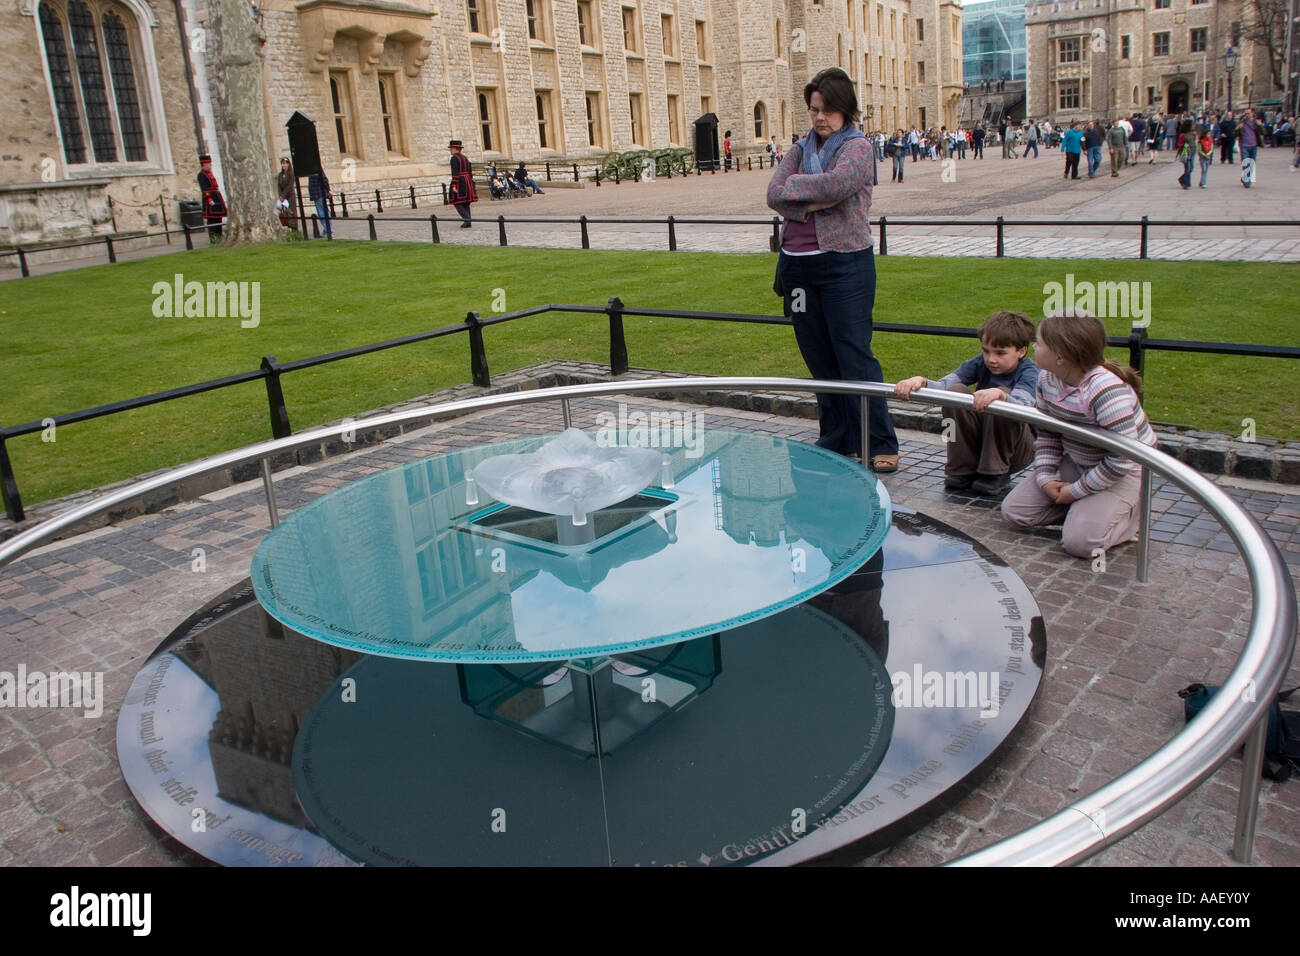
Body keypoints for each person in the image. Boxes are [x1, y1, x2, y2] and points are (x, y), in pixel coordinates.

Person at [767, 67, 899, 472]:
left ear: (845, 109)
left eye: (826, 110)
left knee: (854, 355)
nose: (819, 118)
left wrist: (804, 195)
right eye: (813, 110)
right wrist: (814, 199)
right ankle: (838, 437)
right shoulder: (799, 148)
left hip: (844, 265)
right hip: (798, 269)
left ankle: (879, 440)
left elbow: (840, 185)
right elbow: (774, 193)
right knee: (819, 357)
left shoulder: (857, 147)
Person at [1001, 312, 1157, 559]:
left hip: (1122, 471)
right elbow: (1047, 433)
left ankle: (1128, 518)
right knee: (1016, 512)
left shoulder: (1105, 391)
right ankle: (1084, 512)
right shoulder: (1047, 380)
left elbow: (1123, 459)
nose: (1033, 346)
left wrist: (1075, 491)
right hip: (1078, 459)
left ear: (1060, 356)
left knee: (1081, 545)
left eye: (1039, 342)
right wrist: (1047, 478)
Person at [895, 311, 1039, 496]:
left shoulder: (1029, 372)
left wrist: (1000, 395)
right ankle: (961, 468)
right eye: (986, 351)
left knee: (1001, 397)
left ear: (1021, 351)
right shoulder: (981, 363)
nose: (991, 359)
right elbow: (945, 386)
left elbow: (1024, 406)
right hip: (982, 439)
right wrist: (921, 381)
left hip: (1017, 449)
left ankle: (995, 473)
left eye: (1000, 353)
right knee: (956, 392)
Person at [448, 139, 477, 227]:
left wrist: (454, 184)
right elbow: (469, 170)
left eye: (451, 148)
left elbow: (455, 173)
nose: (450, 150)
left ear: (454, 148)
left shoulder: (454, 158)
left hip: (460, 181)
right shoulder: (464, 158)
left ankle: (467, 219)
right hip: (467, 180)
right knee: (466, 202)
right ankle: (468, 220)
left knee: (457, 202)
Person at [197, 154, 225, 241]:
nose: (210, 165)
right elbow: (204, 189)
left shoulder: (210, 174)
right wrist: (209, 199)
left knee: (218, 218)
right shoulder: (201, 175)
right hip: (210, 198)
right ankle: (213, 238)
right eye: (208, 164)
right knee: (212, 219)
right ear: (204, 164)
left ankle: (219, 236)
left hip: (216, 196)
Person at [1238, 108, 1261, 187]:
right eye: (1246, 113)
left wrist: (1260, 125)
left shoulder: (1255, 123)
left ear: (1252, 113)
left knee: (1252, 163)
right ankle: (1247, 182)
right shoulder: (1242, 122)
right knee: (1245, 163)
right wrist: (1238, 128)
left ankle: (1245, 177)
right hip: (1244, 145)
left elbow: (1263, 132)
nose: (1247, 115)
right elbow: (1235, 134)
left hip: (1253, 145)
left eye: (1248, 113)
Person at [307, 168, 333, 237]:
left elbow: (324, 179)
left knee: (322, 212)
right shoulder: (312, 170)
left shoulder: (317, 169)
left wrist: (328, 189)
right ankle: (327, 229)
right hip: (316, 194)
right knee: (322, 212)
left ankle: (328, 229)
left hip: (319, 194)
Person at [276, 156, 295, 227]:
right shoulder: (280, 175)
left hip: (290, 196)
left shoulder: (291, 174)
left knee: (291, 213)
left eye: (286, 163)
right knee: (284, 214)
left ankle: (294, 229)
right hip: (283, 198)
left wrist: (283, 195)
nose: (284, 165)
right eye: (283, 163)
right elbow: (279, 186)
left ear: (288, 164)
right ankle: (287, 227)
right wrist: (281, 196)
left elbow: (290, 186)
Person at [1176, 119, 1194, 189]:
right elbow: (1180, 144)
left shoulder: (1192, 134)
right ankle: (1187, 184)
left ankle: (1183, 179)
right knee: (1188, 169)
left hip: (1192, 152)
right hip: (1186, 152)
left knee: (1191, 168)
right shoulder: (1183, 135)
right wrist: (1185, 145)